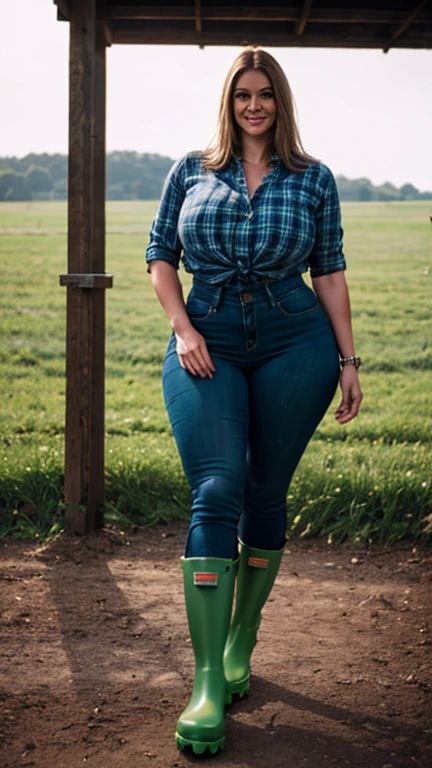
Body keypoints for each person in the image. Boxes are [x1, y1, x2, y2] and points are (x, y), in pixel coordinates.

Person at [146, 47, 362, 755]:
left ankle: (242, 637)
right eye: (243, 93)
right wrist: (182, 331)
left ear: (281, 102)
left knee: (268, 490)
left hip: (293, 341)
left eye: (266, 93)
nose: (254, 105)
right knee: (218, 488)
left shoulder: (314, 178)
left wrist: (349, 360)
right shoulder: (190, 170)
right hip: (205, 336)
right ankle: (209, 681)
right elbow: (159, 257)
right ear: (229, 102)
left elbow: (327, 271)